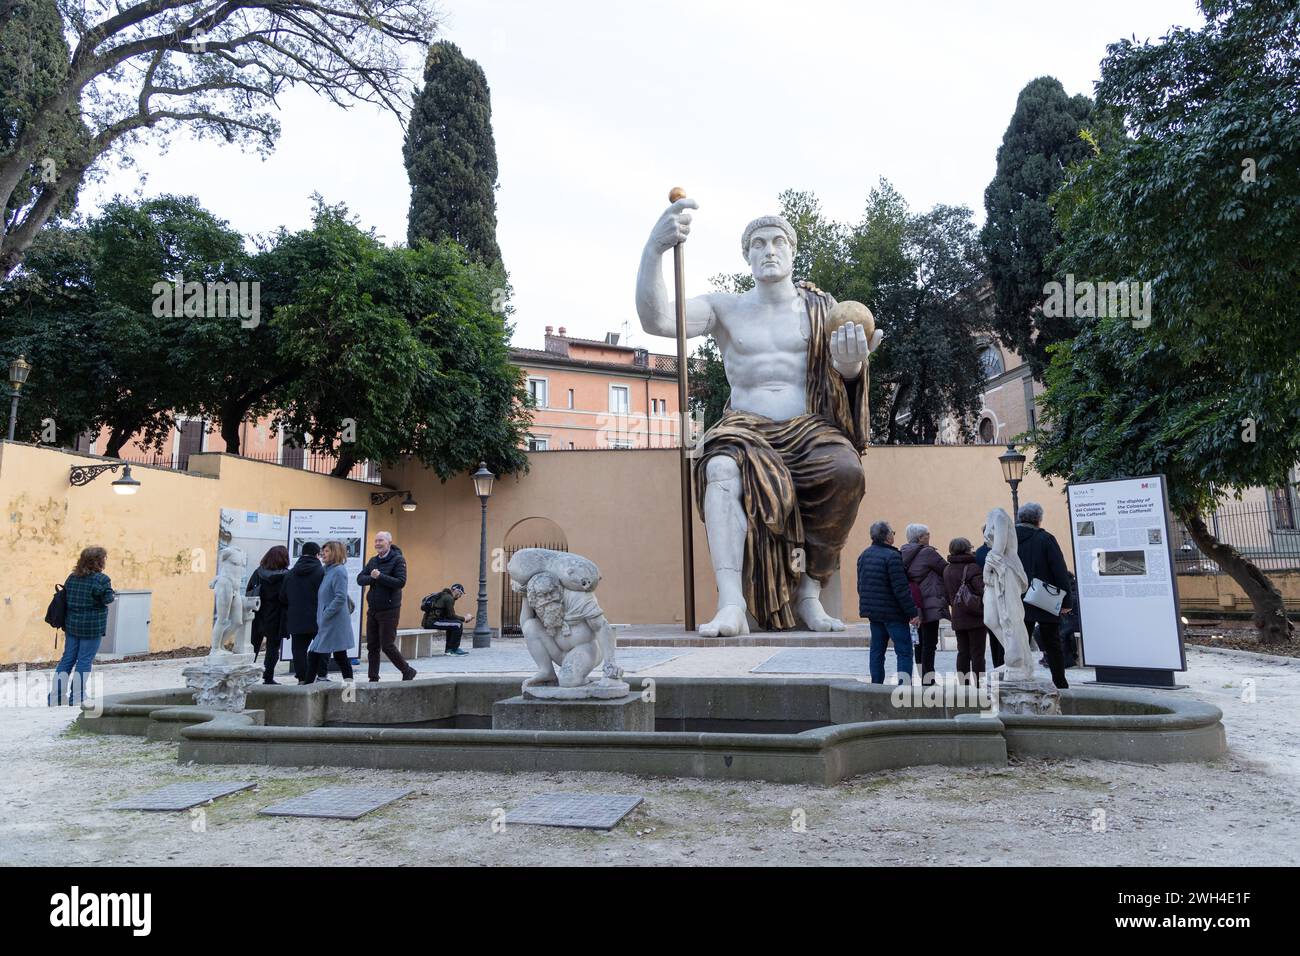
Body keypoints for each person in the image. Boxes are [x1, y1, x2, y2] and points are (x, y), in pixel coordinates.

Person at [1015, 502, 1072, 689]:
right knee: (1052, 642)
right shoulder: (1045, 539)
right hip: (1044, 597)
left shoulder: (1010, 540)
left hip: (1018, 597)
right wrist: (1066, 600)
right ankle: (1060, 682)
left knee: (1021, 642)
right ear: (1038, 519)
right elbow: (1060, 571)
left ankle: (1020, 679)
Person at [50, 546, 115, 706]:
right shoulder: (102, 579)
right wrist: (110, 593)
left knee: (67, 659)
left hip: (72, 624)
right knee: (84, 661)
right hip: (91, 627)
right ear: (98, 561)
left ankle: (56, 697)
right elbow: (108, 599)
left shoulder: (72, 577)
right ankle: (77, 697)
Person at [856, 521, 919, 684]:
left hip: (874, 613)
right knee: (904, 651)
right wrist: (912, 612)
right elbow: (901, 589)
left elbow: (860, 585)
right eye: (893, 532)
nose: (893, 535)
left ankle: (876, 686)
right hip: (894, 614)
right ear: (887, 536)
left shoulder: (864, 555)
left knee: (877, 650)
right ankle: (904, 687)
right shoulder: (892, 556)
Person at [356, 531, 416, 681]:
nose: (377, 543)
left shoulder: (398, 560)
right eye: (376, 541)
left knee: (387, 645)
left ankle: (407, 670)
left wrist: (380, 577)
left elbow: (400, 582)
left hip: (390, 609)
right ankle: (373, 677)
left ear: (389, 542)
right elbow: (360, 579)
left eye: (380, 540)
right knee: (372, 646)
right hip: (373, 609)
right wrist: (372, 578)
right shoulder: (373, 561)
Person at [900, 523, 948, 686]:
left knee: (919, 643)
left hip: (914, 603)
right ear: (921, 538)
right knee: (930, 643)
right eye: (927, 534)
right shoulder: (928, 552)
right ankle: (929, 680)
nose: (929, 536)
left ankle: (922, 676)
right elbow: (945, 569)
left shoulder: (902, 552)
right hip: (930, 602)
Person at [307, 540, 355, 683]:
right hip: (328, 621)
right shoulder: (328, 571)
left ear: (335, 553)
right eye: (323, 551)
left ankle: (306, 689)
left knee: (315, 653)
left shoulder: (339, 571)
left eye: (327, 551)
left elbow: (340, 597)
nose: (323, 554)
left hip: (333, 621)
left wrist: (326, 614)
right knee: (339, 655)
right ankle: (349, 691)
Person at [943, 537, 987, 685]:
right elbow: (982, 590)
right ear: (967, 549)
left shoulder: (947, 569)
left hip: (958, 617)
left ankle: (964, 684)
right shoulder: (973, 567)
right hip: (975, 617)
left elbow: (947, 594)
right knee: (977, 653)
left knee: (962, 652)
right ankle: (980, 684)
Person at [247, 545, 290, 684]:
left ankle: (247, 675)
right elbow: (288, 597)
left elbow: (248, 592)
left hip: (257, 614)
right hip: (277, 616)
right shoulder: (287, 576)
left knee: (253, 645)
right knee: (273, 648)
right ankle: (268, 677)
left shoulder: (258, 573)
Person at [284, 541, 325, 684]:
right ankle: (321, 676)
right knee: (322, 647)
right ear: (317, 554)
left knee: (298, 650)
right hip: (317, 617)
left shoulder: (291, 573)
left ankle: (302, 678)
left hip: (296, 617)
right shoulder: (321, 572)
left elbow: (283, 596)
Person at [973, 533, 1004, 670]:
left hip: (986, 595)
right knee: (1003, 631)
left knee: (993, 633)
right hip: (998, 594)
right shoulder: (999, 551)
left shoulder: (979, 551)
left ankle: (997, 664)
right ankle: (1002, 663)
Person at [422, 584, 471, 656]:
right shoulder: (449, 598)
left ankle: (449, 650)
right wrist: (465, 618)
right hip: (433, 622)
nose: (460, 596)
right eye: (460, 593)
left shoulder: (444, 595)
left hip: (430, 621)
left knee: (454, 624)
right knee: (458, 624)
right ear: (456, 591)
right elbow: (451, 616)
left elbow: (449, 617)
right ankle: (454, 649)